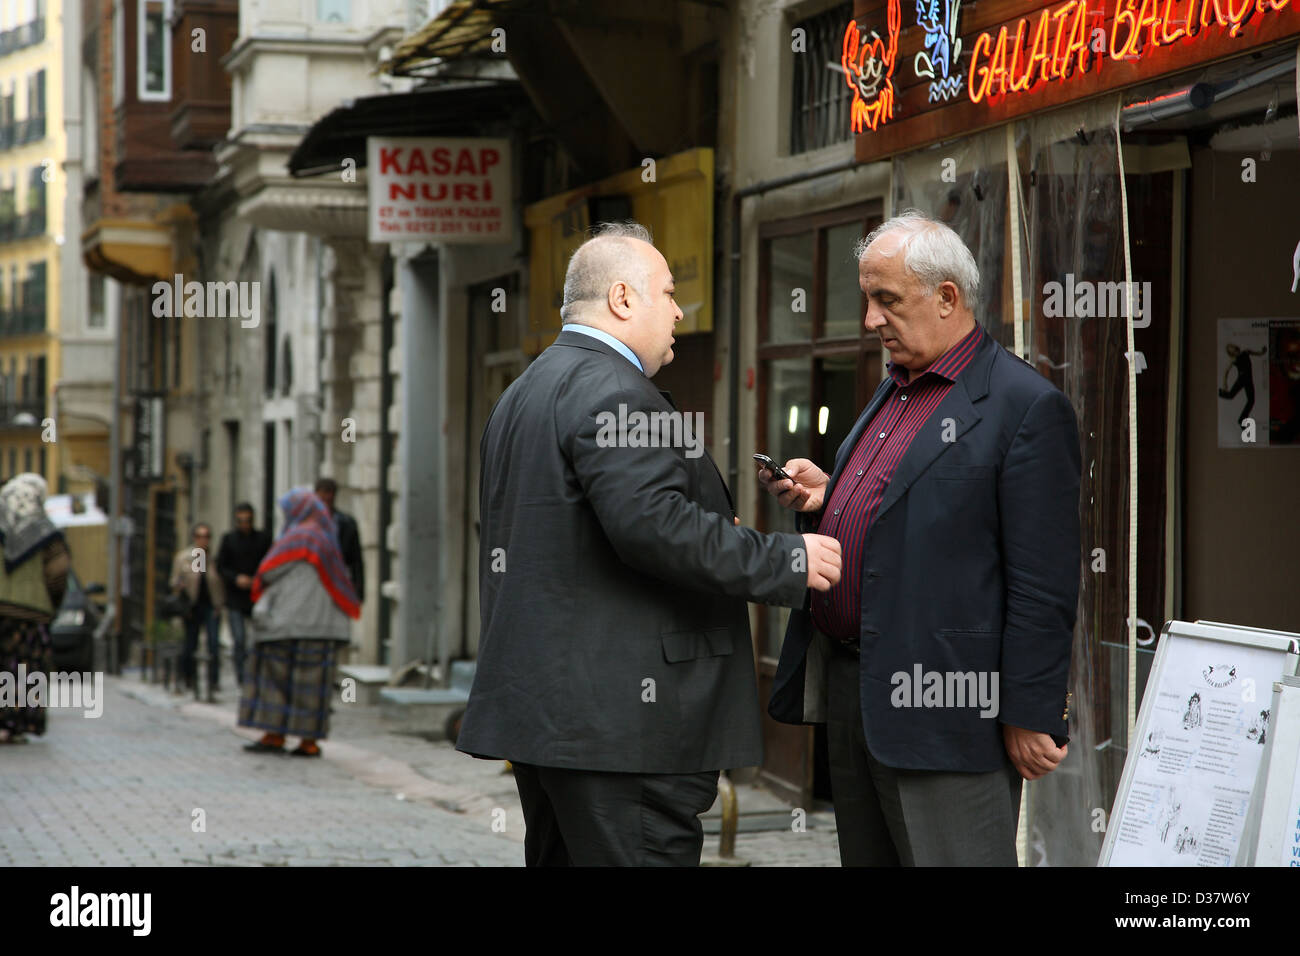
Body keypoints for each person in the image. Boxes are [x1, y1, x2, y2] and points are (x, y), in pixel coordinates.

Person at [455, 221, 843, 866]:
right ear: (622, 300)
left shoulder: (525, 391)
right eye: (667, 292)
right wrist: (785, 559)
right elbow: (653, 527)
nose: (678, 310)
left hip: (557, 722)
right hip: (623, 731)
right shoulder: (614, 391)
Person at [760, 211, 1082, 866]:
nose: (872, 320)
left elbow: (1044, 579)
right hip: (858, 695)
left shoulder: (1025, 406)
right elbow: (906, 507)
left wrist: (1030, 709)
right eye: (868, 300)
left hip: (949, 715)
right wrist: (829, 498)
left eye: (887, 300)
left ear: (946, 298)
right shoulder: (895, 389)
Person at [239, 488, 359, 757]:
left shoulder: (297, 537)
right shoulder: (327, 540)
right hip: (323, 626)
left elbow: (268, 571)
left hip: (284, 623)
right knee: (313, 687)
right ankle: (308, 740)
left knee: (274, 682)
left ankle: (274, 735)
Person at [0, 474, 69, 743]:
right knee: (25, 670)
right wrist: (51, 603)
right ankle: (16, 722)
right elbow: (58, 572)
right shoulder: (46, 532)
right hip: (31, 613)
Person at [215, 502, 272, 687]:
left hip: (256, 597)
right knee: (239, 639)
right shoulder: (228, 540)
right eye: (241, 521)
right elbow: (221, 566)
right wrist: (235, 578)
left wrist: (257, 580)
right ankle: (242, 677)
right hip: (234, 599)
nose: (244, 524)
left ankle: (254, 674)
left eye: (247, 520)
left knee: (255, 640)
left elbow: (270, 563)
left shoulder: (263, 539)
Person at [170, 522, 225, 697]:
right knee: (190, 645)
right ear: (194, 538)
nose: (203, 539)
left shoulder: (215, 558)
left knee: (214, 645)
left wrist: (220, 604)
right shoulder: (185, 557)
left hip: (211, 606)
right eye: (200, 536)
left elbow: (219, 582)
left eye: (207, 536)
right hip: (192, 607)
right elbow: (175, 580)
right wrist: (181, 584)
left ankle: (213, 681)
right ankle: (188, 677)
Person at [313, 478, 363, 603]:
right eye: (324, 492)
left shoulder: (347, 523)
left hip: (338, 583)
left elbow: (356, 560)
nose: (328, 497)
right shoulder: (307, 524)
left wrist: (359, 591)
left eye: (330, 493)